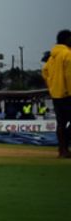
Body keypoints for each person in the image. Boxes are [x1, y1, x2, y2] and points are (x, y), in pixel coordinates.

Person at [42, 28, 71, 159]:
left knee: (61, 123)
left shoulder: (52, 57)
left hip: (56, 94)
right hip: (68, 94)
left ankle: (62, 149)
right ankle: (65, 145)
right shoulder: (67, 54)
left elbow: (45, 72)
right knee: (63, 124)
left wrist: (52, 86)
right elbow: (69, 75)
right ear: (67, 40)